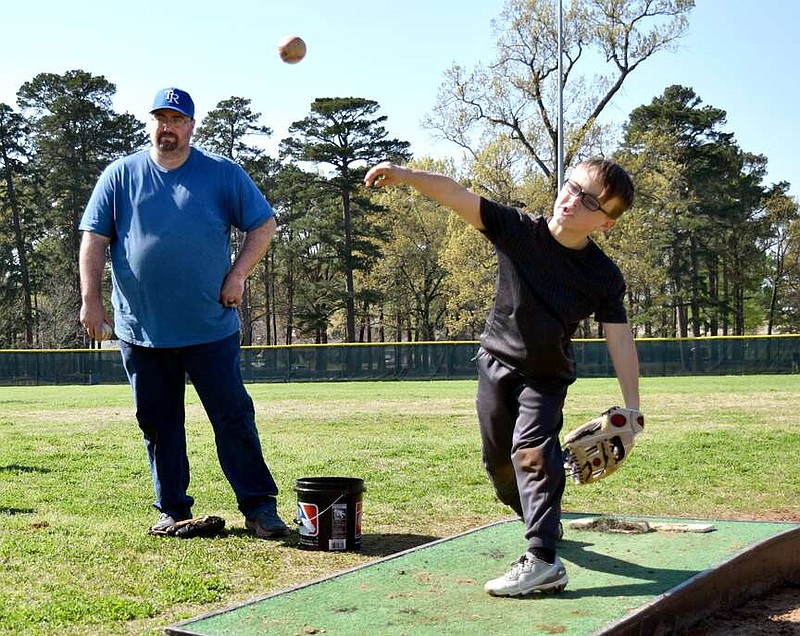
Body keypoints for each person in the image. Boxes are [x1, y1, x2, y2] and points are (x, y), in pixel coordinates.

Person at [364, 158, 640, 596]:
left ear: (605, 224)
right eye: (572, 187)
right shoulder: (517, 229)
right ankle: (538, 517)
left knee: (531, 451)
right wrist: (406, 175)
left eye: (590, 201)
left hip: (546, 377)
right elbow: (456, 194)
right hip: (495, 364)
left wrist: (633, 408)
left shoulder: (603, 276)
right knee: (498, 463)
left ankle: (543, 558)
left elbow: (620, 338)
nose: (572, 200)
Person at [79, 87, 289, 539]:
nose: (167, 127)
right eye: (160, 117)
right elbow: (94, 239)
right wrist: (91, 300)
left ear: (192, 126)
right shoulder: (120, 175)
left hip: (209, 326)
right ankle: (172, 509)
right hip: (142, 330)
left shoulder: (221, 174)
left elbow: (264, 223)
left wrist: (238, 276)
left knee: (233, 417)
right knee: (158, 424)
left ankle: (259, 507)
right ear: (150, 123)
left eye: (176, 119)